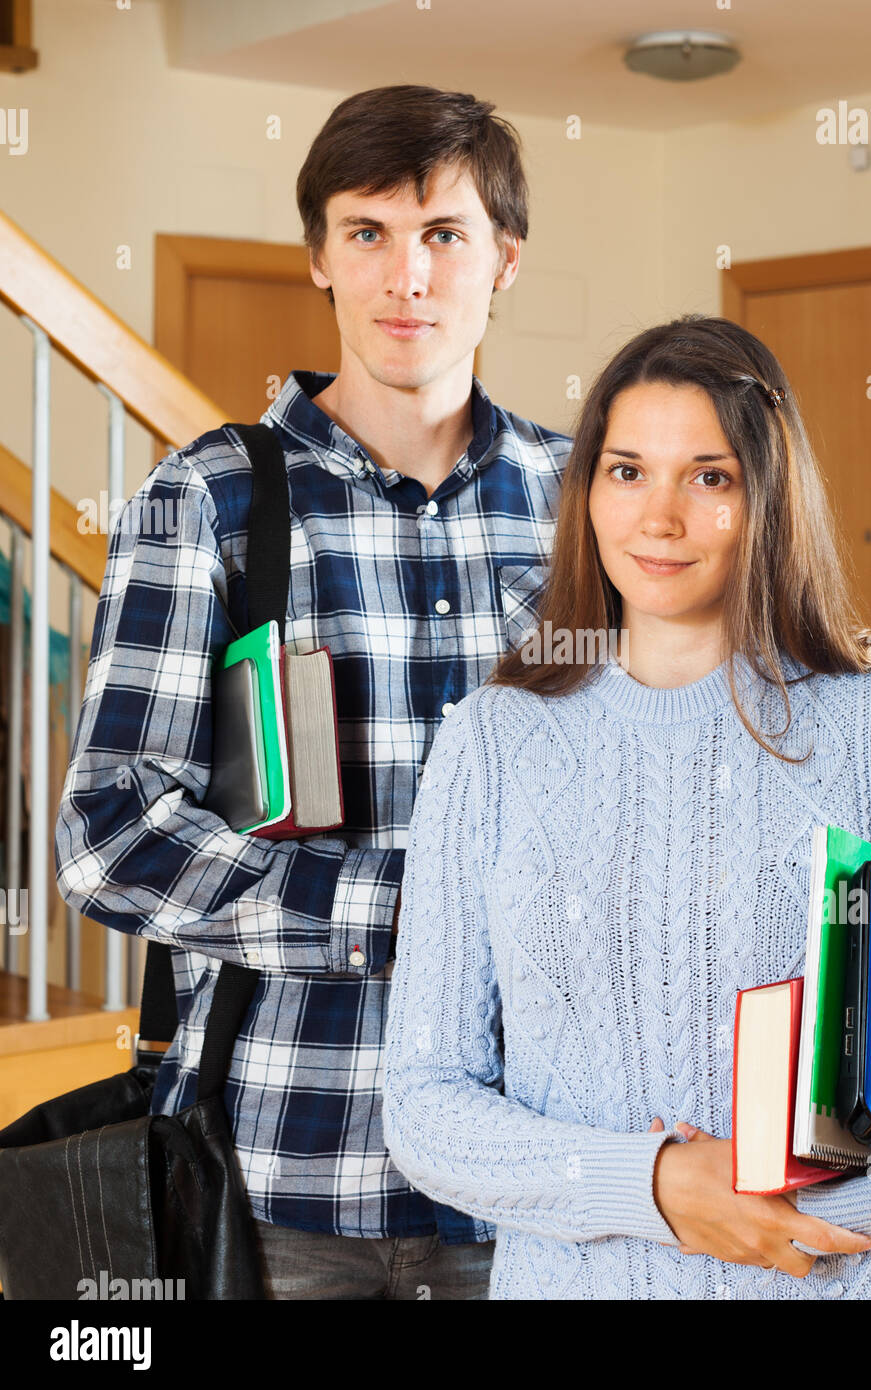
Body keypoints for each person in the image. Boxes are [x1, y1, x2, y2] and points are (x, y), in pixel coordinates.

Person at [380, 313, 871, 1300]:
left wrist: (814, 1221)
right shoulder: (492, 740)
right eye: (624, 471)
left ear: (766, 498)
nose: (658, 518)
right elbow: (426, 1108)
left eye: (709, 477)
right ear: (584, 491)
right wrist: (654, 1185)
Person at [55, 84, 571, 1299]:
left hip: (540, 1176)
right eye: (368, 233)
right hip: (285, 1179)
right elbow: (109, 834)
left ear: (505, 260)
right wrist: (399, 916)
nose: (408, 277)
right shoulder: (209, 502)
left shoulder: (584, 504)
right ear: (319, 262)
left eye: (444, 235)